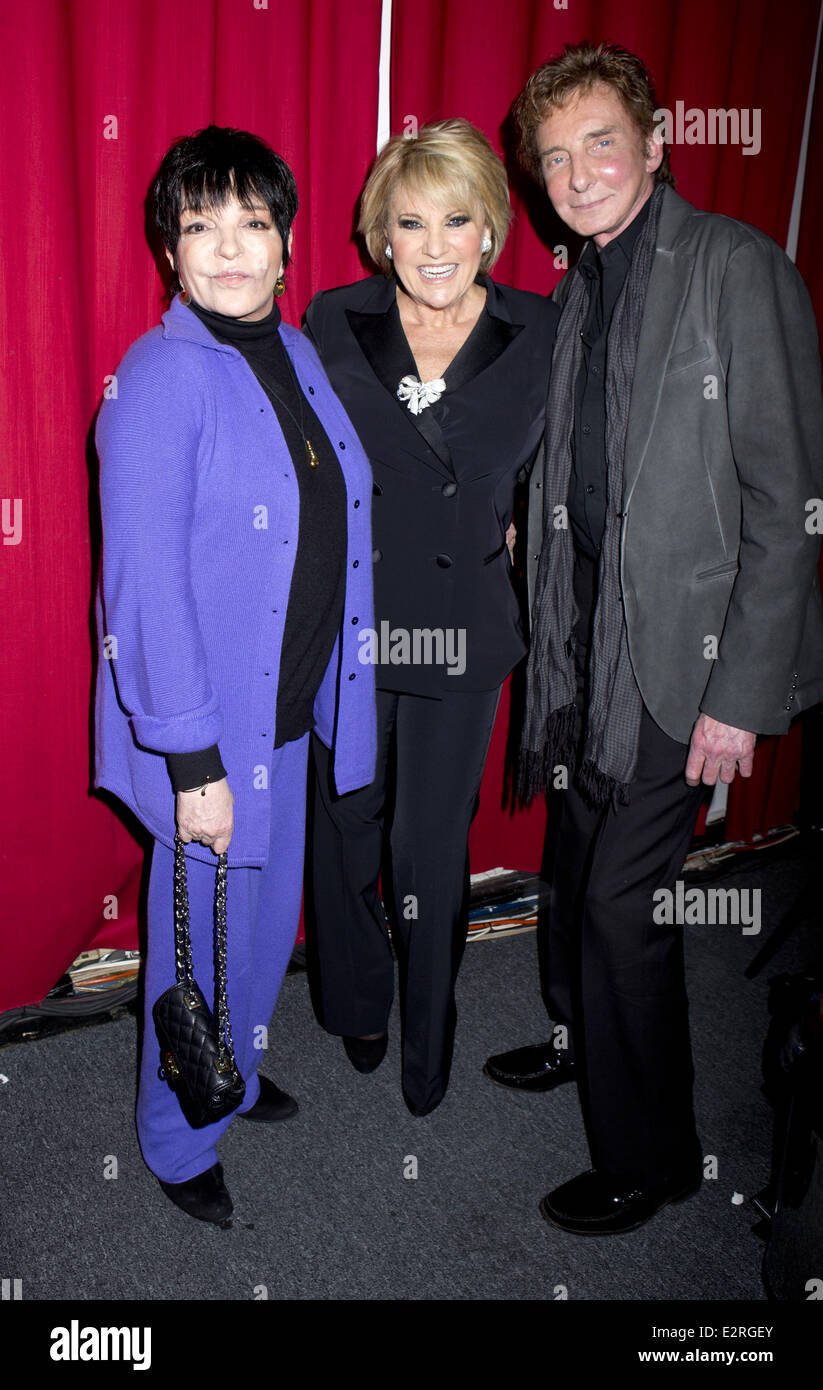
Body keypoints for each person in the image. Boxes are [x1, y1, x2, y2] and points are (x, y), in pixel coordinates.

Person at [484, 42, 823, 1234]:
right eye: (554, 155)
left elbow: (786, 507)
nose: (574, 174)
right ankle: (584, 1042)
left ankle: (656, 1153)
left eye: (599, 144)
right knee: (574, 879)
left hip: (682, 665)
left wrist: (740, 695)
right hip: (584, 650)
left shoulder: (735, 268)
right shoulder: (580, 283)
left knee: (628, 911)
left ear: (656, 143)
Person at [94, 125, 376, 1223]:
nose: (226, 248)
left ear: (285, 242)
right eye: (198, 224)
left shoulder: (293, 350)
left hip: (285, 712)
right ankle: (175, 1140)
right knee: (194, 946)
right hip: (205, 735)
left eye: (250, 223)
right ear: (169, 247)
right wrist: (192, 759)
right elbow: (145, 588)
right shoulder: (162, 375)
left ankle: (234, 1072)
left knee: (258, 929)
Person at [304, 119, 559, 1117]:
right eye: (411, 222)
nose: (437, 243)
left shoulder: (541, 329)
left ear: (490, 227)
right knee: (347, 824)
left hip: (462, 630)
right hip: (356, 627)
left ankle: (428, 1029)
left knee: (426, 844)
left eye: (458, 218)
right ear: (381, 235)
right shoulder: (332, 318)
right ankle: (359, 996)